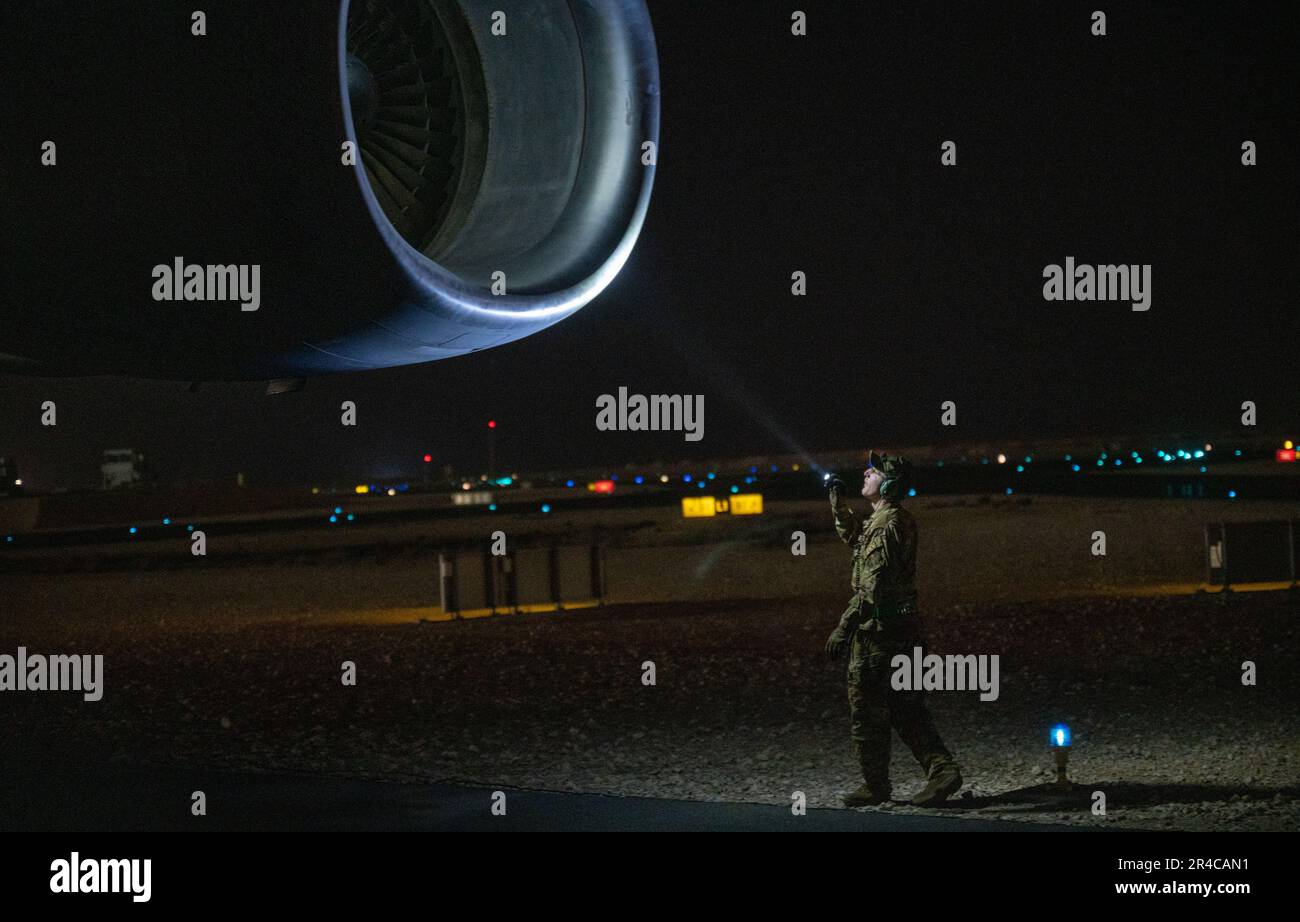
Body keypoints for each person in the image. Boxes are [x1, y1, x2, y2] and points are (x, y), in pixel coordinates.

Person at [824, 451, 962, 807]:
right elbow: (855, 537)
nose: (866, 473)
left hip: (880, 636)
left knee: (867, 711)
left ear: (888, 483)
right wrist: (838, 502)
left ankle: (879, 784)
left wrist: (843, 629)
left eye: (874, 471)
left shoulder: (888, 524)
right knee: (906, 708)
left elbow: (873, 587)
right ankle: (940, 772)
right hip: (899, 631)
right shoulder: (887, 520)